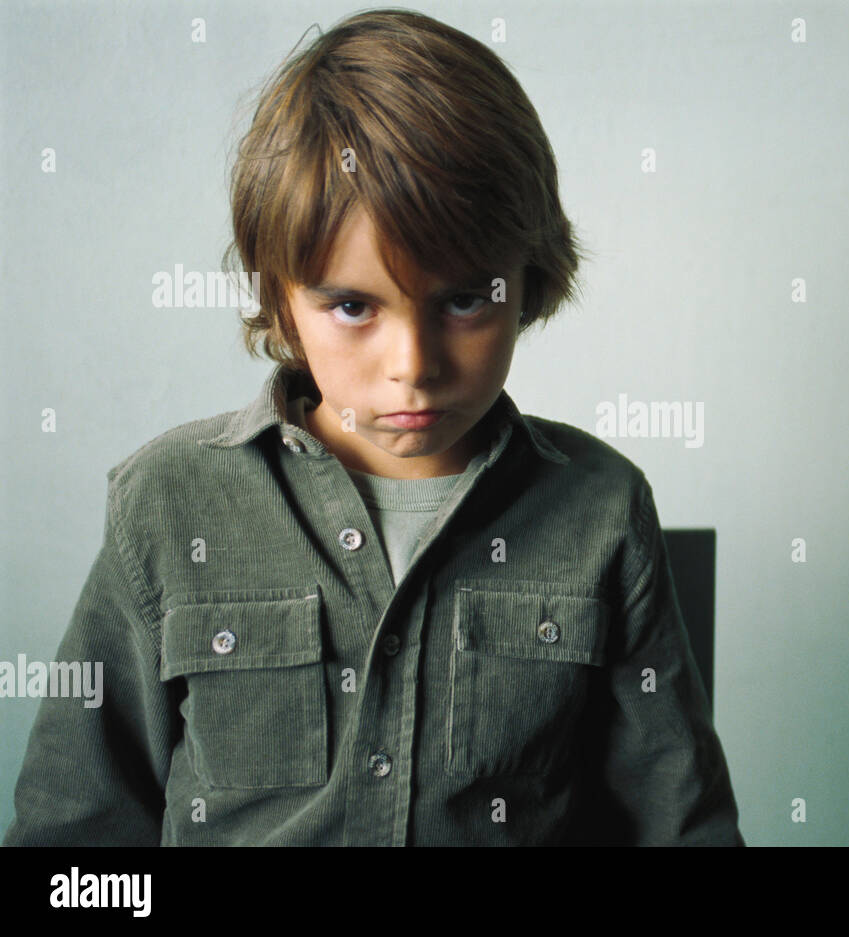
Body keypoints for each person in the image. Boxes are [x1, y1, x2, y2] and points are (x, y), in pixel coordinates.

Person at [4, 8, 742, 846]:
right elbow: (74, 838)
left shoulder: (603, 508)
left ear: (527, 283)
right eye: (352, 305)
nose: (412, 364)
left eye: (464, 299)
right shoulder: (168, 503)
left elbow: (681, 827)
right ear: (282, 298)